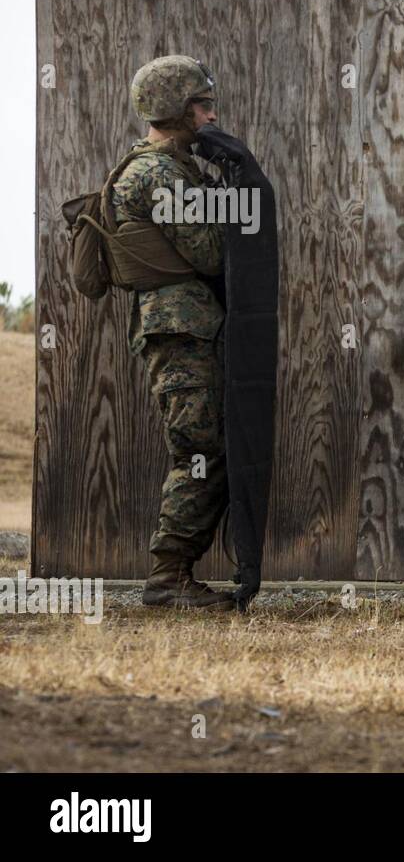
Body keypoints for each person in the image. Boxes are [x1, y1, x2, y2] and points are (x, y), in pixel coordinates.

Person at [112, 55, 233, 610]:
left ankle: (174, 574)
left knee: (208, 448)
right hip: (180, 333)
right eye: (201, 105)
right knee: (199, 451)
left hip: (189, 330)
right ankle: (168, 578)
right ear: (174, 109)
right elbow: (208, 252)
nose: (211, 115)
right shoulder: (159, 173)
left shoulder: (172, 166)